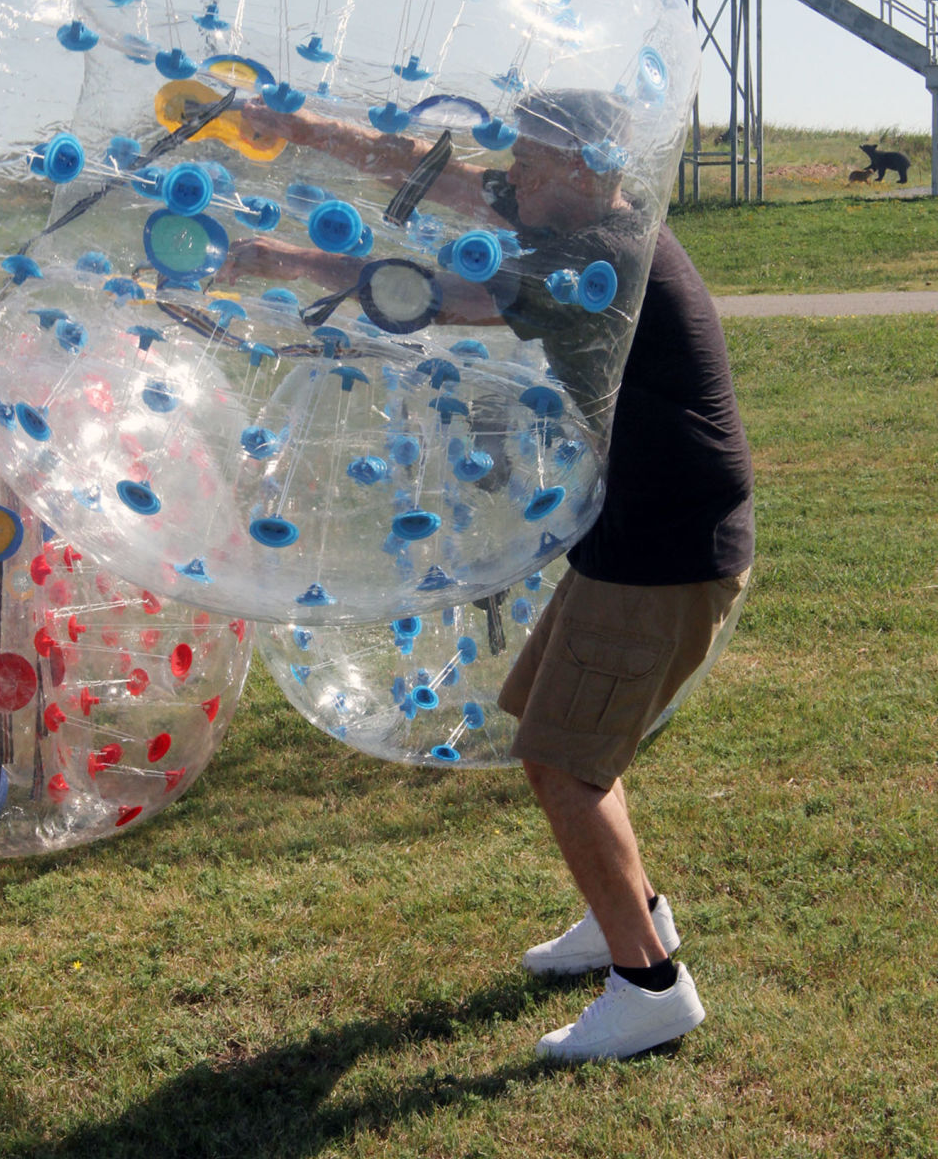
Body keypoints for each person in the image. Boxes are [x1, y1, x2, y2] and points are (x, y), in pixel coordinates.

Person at [223, 90, 753, 1062]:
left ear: (592, 168)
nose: (513, 177)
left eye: (536, 164)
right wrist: (298, 127)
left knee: (567, 758)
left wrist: (271, 259)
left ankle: (649, 986)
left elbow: (430, 289)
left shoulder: (588, 257)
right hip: (634, 529)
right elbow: (422, 169)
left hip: (665, 547)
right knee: (546, 728)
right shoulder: (572, 208)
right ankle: (626, 912)